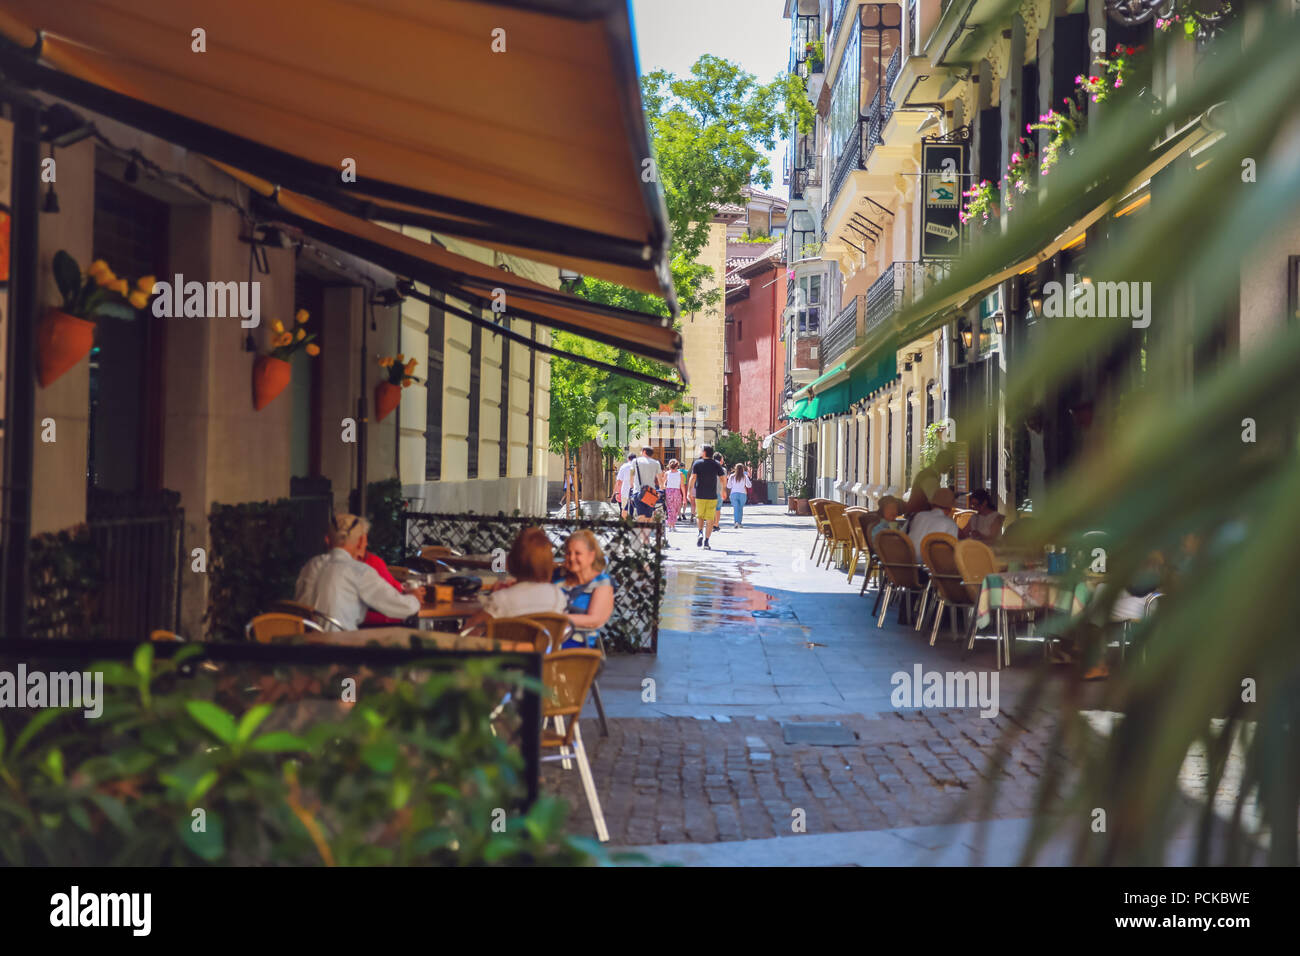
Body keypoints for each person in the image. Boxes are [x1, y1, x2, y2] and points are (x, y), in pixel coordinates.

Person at [297, 513, 423, 631]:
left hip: (303, 645)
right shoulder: (357, 571)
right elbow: (403, 608)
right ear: (361, 541)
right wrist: (414, 598)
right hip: (339, 648)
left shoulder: (311, 565)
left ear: (327, 540)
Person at [464, 527, 567, 632]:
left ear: (513, 559)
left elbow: (466, 634)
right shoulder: (557, 596)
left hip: (506, 647)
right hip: (545, 648)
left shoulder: (501, 599)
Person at [554, 530, 615, 648]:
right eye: (568, 553)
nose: (571, 558)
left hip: (578, 647)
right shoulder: (560, 582)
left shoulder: (602, 582)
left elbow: (594, 620)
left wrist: (554, 619)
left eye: (577, 553)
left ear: (591, 556)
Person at [687, 444, 727, 549]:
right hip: (712, 495)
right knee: (710, 519)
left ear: (704, 452)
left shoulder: (697, 463)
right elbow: (723, 478)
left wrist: (689, 491)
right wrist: (723, 490)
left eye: (701, 450)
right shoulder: (716, 464)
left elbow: (693, 478)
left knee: (699, 515)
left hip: (700, 495)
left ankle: (700, 532)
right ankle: (707, 541)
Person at [905, 487, 959, 562]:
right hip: (930, 569)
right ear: (950, 509)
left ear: (932, 504)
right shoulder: (950, 524)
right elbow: (952, 552)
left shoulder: (918, 516)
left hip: (908, 564)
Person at [629, 446, 662, 526]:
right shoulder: (656, 463)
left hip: (638, 491)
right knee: (649, 515)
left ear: (643, 451)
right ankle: (647, 531)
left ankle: (642, 532)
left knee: (640, 514)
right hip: (651, 493)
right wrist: (661, 490)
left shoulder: (635, 461)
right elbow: (660, 478)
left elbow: (631, 475)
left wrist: (631, 486)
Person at [661, 458, 684, 532]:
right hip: (677, 491)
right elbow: (682, 486)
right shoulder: (680, 473)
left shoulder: (667, 473)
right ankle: (672, 525)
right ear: (677, 466)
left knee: (670, 509)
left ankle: (671, 525)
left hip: (669, 491)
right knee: (676, 509)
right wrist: (684, 496)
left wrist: (665, 487)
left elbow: (663, 483)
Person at [726, 463, 752, 527]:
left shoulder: (732, 476)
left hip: (734, 494)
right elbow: (749, 485)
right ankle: (739, 522)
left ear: (735, 469)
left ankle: (736, 522)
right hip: (742, 494)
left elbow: (728, 486)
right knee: (740, 508)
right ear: (743, 469)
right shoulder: (744, 476)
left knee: (736, 508)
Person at [613, 452, 636, 517]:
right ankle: (631, 519)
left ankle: (624, 522)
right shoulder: (637, 466)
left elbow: (619, 481)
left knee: (624, 509)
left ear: (628, 459)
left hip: (625, 490)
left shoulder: (624, 466)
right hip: (635, 490)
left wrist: (617, 492)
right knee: (632, 508)